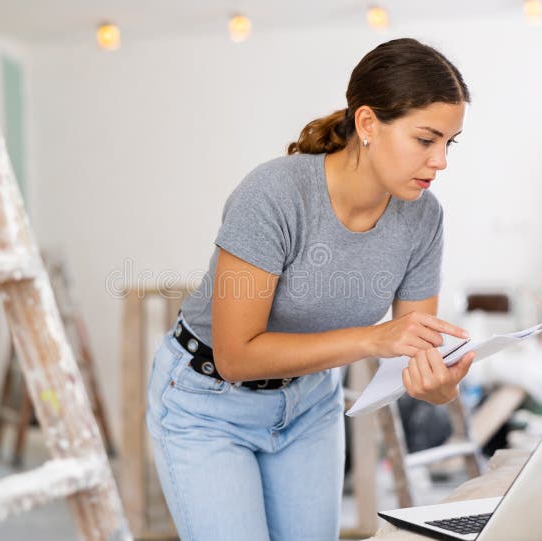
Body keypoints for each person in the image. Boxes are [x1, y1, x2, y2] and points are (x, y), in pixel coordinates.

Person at [146, 37, 476, 541]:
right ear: (368, 124)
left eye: (449, 143)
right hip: (206, 402)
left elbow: (411, 349)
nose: (441, 161)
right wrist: (372, 339)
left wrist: (440, 384)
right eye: (425, 140)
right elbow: (235, 355)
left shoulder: (423, 217)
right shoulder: (274, 195)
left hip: (310, 402)